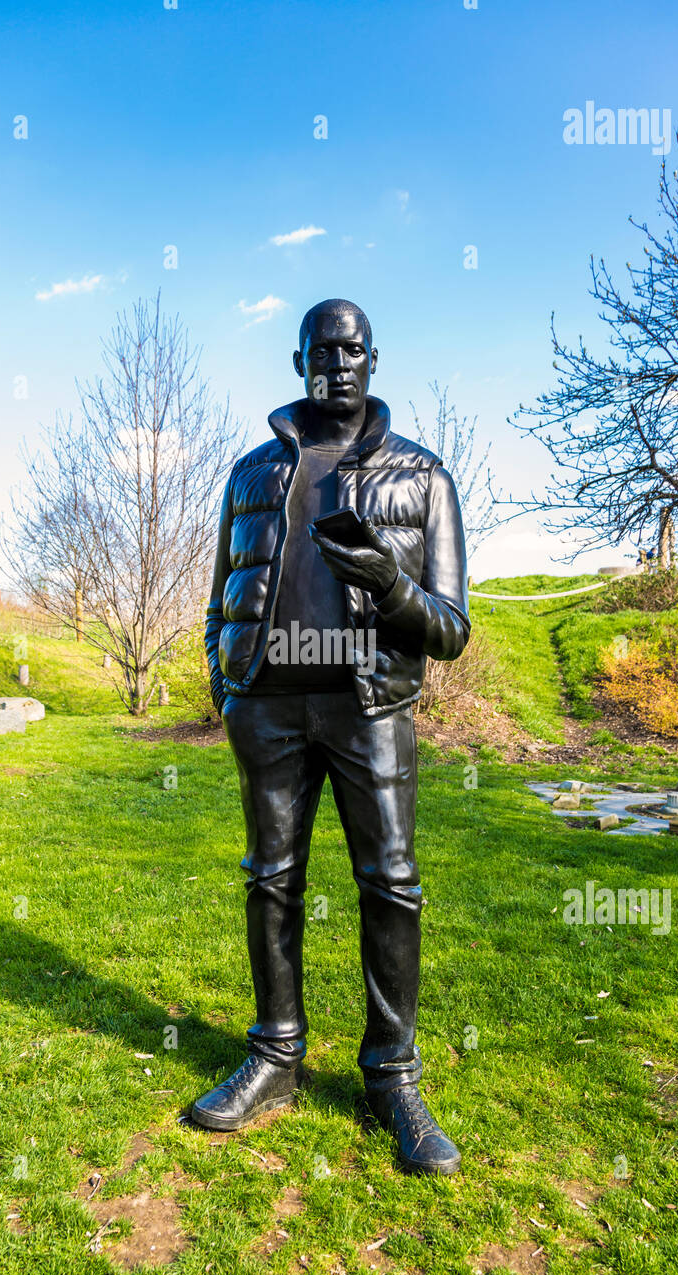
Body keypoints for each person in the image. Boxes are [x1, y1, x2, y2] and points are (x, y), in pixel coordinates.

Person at [193, 299, 470, 1175]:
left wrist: (392, 586)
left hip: (370, 708)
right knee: (270, 879)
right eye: (324, 349)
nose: (338, 362)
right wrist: (226, 682)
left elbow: (452, 627)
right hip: (266, 708)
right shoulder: (248, 474)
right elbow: (218, 597)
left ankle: (393, 1075)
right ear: (300, 358)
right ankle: (276, 1055)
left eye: (353, 349)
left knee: (390, 885)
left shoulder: (423, 478)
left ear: (374, 359)